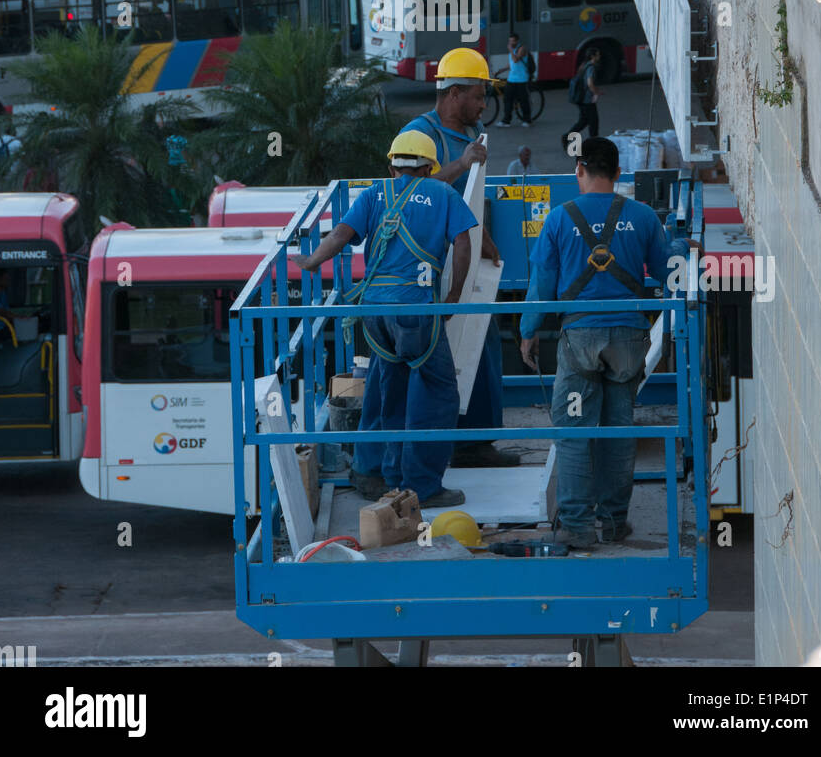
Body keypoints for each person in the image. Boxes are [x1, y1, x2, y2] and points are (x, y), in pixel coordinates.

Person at [519, 137, 690, 548]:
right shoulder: (644, 216)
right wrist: (684, 244)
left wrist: (527, 331)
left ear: (579, 171)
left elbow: (542, 284)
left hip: (580, 342)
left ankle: (577, 527)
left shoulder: (559, 219)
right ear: (617, 174)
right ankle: (614, 523)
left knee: (575, 432)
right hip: (629, 343)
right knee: (618, 431)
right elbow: (671, 270)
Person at [294, 131, 477, 508]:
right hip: (414, 308)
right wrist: (454, 296)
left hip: (373, 310)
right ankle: (422, 487)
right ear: (429, 167)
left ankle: (385, 474)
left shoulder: (374, 195)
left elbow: (342, 234)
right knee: (437, 392)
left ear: (392, 164)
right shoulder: (444, 195)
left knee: (388, 387)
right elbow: (463, 243)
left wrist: (311, 262)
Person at [398, 47, 520, 471]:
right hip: (428, 264)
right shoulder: (418, 134)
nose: (484, 104)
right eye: (478, 95)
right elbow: (413, 189)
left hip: (467, 259)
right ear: (453, 94)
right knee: (437, 352)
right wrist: (460, 163)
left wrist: (482, 236)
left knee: (482, 342)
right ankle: (436, 445)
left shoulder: (475, 131)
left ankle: (477, 442)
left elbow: (469, 198)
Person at [566, 48, 602, 142]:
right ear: (592, 56)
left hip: (581, 99)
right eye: (597, 55)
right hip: (587, 100)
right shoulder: (591, 67)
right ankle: (594, 142)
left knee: (583, 121)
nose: (599, 56)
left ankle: (566, 137)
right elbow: (590, 83)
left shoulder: (584, 65)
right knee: (593, 122)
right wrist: (596, 93)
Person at [497, 32, 531, 127]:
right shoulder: (512, 50)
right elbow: (511, 64)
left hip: (521, 79)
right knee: (507, 100)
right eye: (510, 41)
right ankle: (506, 120)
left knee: (523, 100)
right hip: (511, 79)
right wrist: (501, 70)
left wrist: (511, 50)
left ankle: (527, 120)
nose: (511, 43)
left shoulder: (522, 49)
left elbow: (516, 60)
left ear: (517, 41)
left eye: (513, 41)